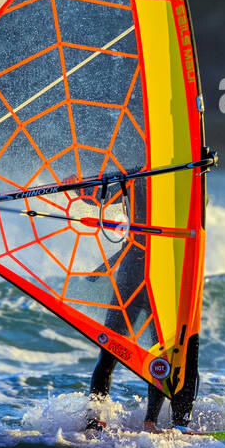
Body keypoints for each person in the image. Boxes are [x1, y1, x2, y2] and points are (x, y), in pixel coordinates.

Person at [82, 175, 195, 433]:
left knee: (164, 354)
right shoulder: (139, 179)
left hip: (162, 277)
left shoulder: (184, 184)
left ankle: (150, 421)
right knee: (110, 349)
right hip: (136, 275)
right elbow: (101, 195)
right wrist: (81, 187)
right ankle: (96, 418)